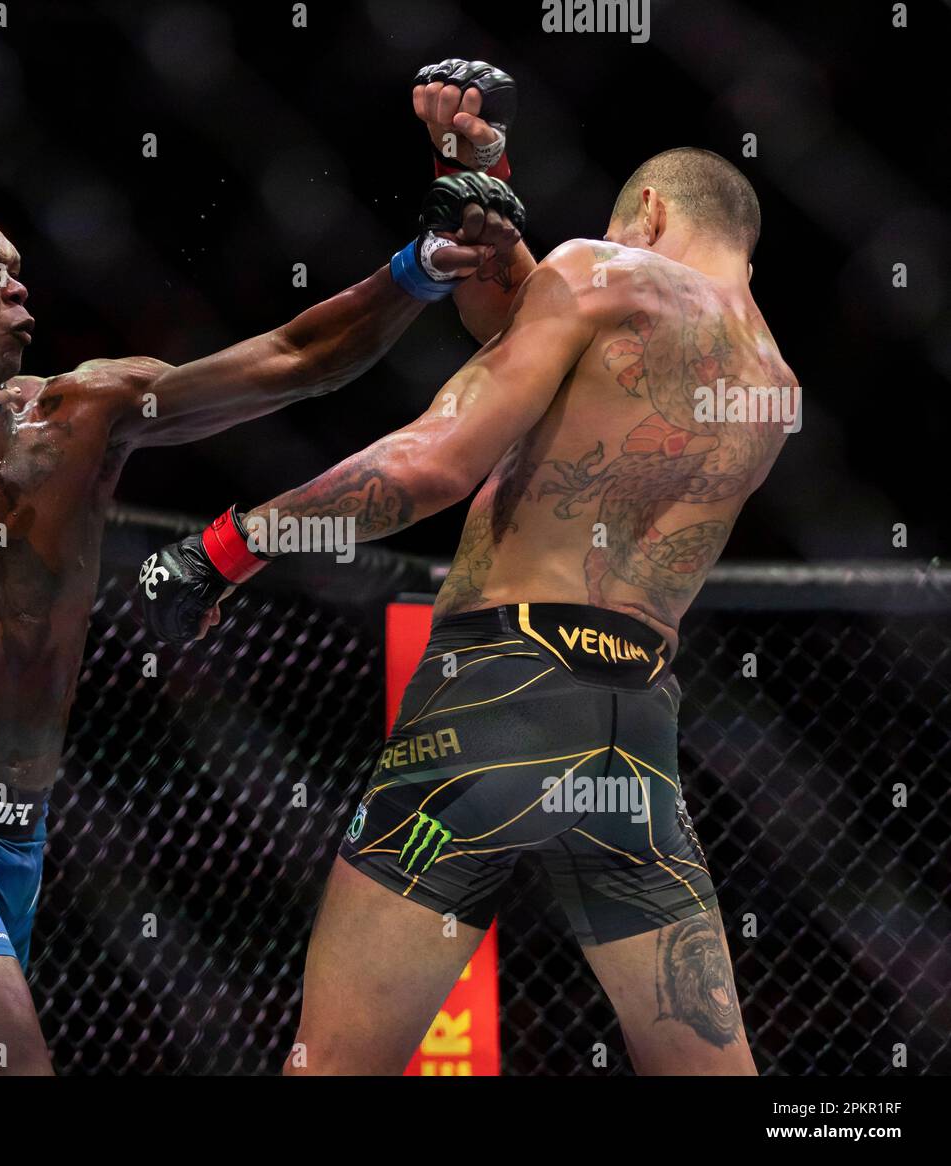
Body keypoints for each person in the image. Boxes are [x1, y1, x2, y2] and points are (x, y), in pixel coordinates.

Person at [0, 168, 524, 1074]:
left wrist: (419, 267)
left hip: (21, 833)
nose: (17, 284)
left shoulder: (84, 412)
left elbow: (295, 357)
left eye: (16, 266)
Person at [139, 118, 795, 1074]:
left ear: (645, 213)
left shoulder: (604, 272)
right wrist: (475, 187)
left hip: (497, 698)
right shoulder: (774, 384)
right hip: (635, 729)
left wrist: (228, 547)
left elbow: (432, 465)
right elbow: (540, 332)